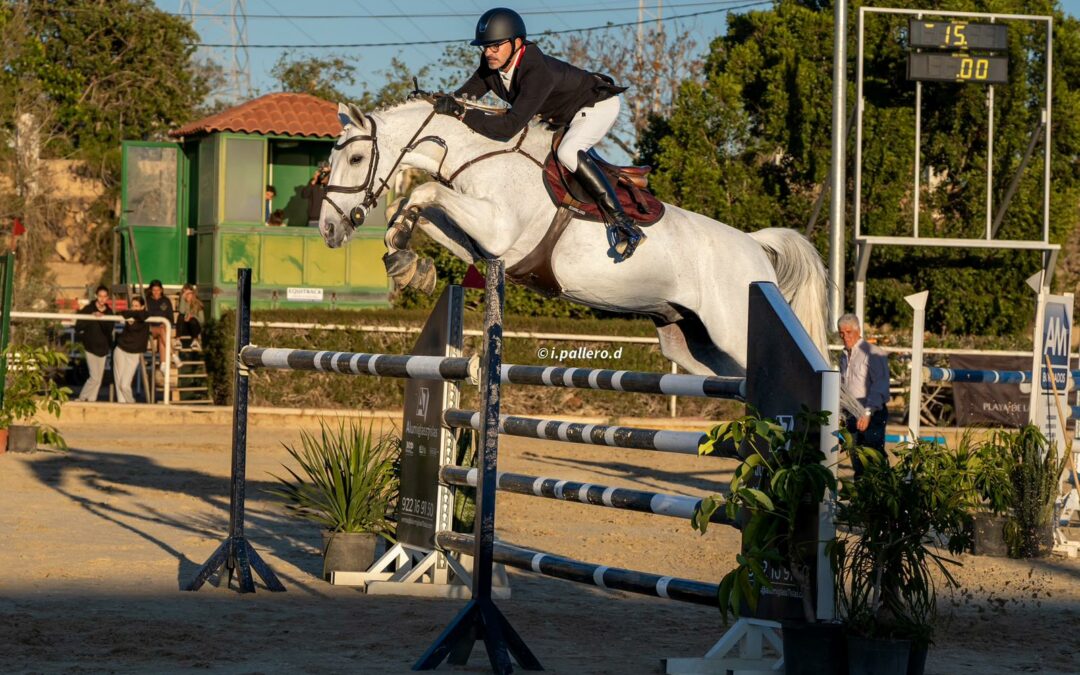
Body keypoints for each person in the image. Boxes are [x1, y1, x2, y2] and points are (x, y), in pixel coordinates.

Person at [435, 7, 645, 259]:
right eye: (484, 47)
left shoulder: (537, 73)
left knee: (568, 152)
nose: (488, 52)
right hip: (564, 115)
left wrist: (460, 113)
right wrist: (434, 101)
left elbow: (508, 128)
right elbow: (463, 98)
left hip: (596, 106)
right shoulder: (491, 65)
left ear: (517, 43)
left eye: (495, 46)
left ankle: (625, 226)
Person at [838, 313, 890, 467]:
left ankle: (881, 489)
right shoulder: (843, 355)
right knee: (857, 459)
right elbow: (843, 385)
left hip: (871, 410)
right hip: (851, 410)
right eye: (841, 333)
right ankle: (860, 489)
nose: (844, 336)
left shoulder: (873, 352)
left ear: (858, 331)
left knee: (873, 457)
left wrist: (867, 413)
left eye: (849, 332)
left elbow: (880, 386)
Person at [74, 285, 114, 402]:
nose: (102, 299)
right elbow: (78, 327)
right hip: (90, 346)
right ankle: (82, 398)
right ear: (96, 296)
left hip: (103, 348)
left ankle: (92, 400)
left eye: (104, 296)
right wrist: (91, 317)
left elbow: (109, 329)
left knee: (98, 378)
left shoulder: (109, 312)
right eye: (100, 296)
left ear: (107, 298)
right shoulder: (88, 309)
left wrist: (103, 318)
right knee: (94, 377)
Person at [114, 296, 149, 404]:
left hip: (134, 353)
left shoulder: (145, 316)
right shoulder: (129, 314)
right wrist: (130, 314)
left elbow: (143, 315)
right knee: (119, 383)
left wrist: (131, 314)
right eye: (132, 305)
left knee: (124, 385)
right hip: (121, 349)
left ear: (142, 306)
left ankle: (131, 403)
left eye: (137, 306)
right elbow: (121, 312)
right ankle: (122, 407)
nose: (134, 308)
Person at [144, 279, 174, 377]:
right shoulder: (147, 301)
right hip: (150, 328)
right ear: (151, 290)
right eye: (154, 290)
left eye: (158, 290)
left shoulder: (166, 301)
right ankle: (172, 354)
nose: (156, 292)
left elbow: (171, 318)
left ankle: (163, 364)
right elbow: (145, 316)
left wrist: (165, 323)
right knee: (162, 331)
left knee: (162, 333)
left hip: (162, 330)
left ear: (161, 290)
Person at [176, 283, 204, 355]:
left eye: (189, 293)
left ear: (193, 294)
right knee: (181, 316)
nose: (187, 295)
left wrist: (193, 316)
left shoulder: (198, 305)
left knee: (192, 320)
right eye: (185, 293)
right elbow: (182, 311)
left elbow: (202, 321)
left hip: (194, 328)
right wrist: (182, 298)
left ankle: (195, 341)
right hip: (184, 328)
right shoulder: (182, 302)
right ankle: (178, 341)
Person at [301, 163, 330, 227]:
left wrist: (328, 180)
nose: (323, 175)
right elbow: (304, 194)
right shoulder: (313, 184)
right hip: (314, 219)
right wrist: (314, 180)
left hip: (328, 219)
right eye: (322, 172)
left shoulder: (332, 184)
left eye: (325, 173)